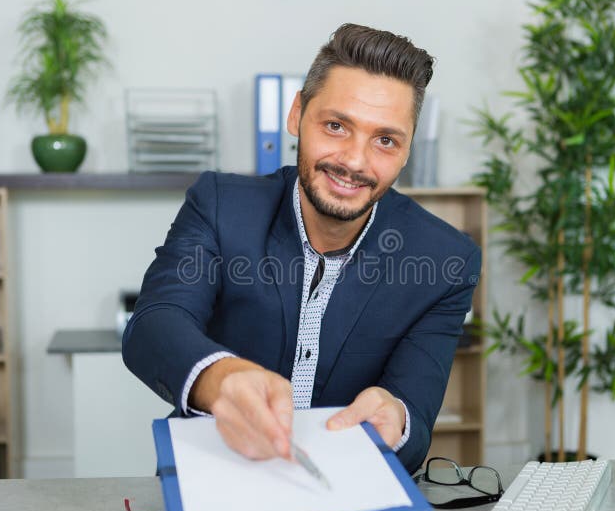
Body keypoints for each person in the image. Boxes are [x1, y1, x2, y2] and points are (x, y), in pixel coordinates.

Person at [122, 23, 481, 474]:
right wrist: (221, 377)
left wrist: (398, 419)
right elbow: (154, 324)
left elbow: (415, 418)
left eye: (385, 140)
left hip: (350, 491)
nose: (354, 161)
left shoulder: (446, 261)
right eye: (336, 126)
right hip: (213, 478)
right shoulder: (219, 205)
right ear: (296, 115)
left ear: (407, 150)